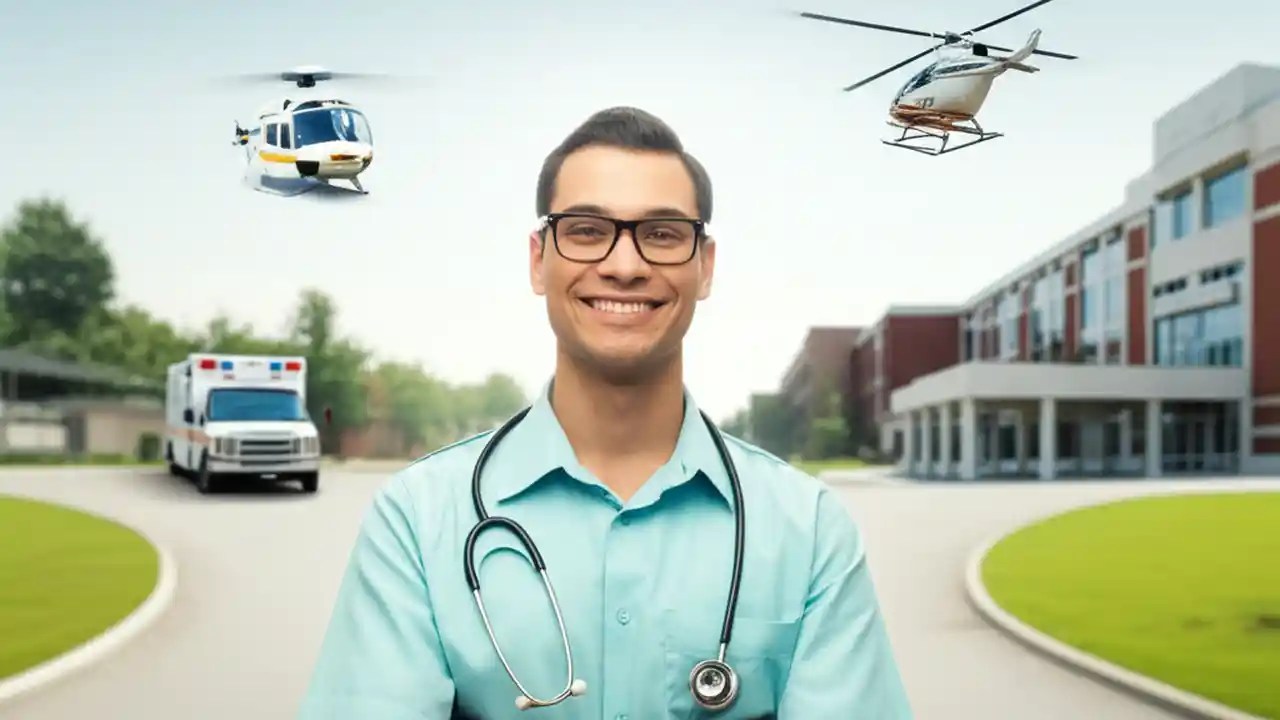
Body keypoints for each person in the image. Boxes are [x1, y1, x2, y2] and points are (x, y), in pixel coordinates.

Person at [297, 106, 912, 719]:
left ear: (706, 267)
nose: (624, 266)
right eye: (588, 230)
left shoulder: (808, 532)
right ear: (539, 260)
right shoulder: (418, 520)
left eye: (663, 234)